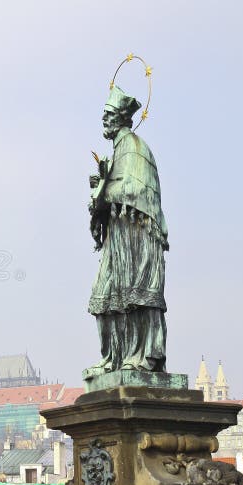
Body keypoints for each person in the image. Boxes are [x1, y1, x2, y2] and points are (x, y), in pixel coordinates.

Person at [86, 85, 168, 374]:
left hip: (137, 236)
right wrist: (101, 189)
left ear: (122, 117)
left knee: (137, 294)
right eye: (103, 115)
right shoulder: (117, 152)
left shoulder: (136, 148)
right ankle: (113, 358)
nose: (104, 120)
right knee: (105, 296)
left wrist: (105, 188)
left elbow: (138, 190)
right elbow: (111, 195)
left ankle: (144, 355)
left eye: (109, 115)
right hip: (118, 237)